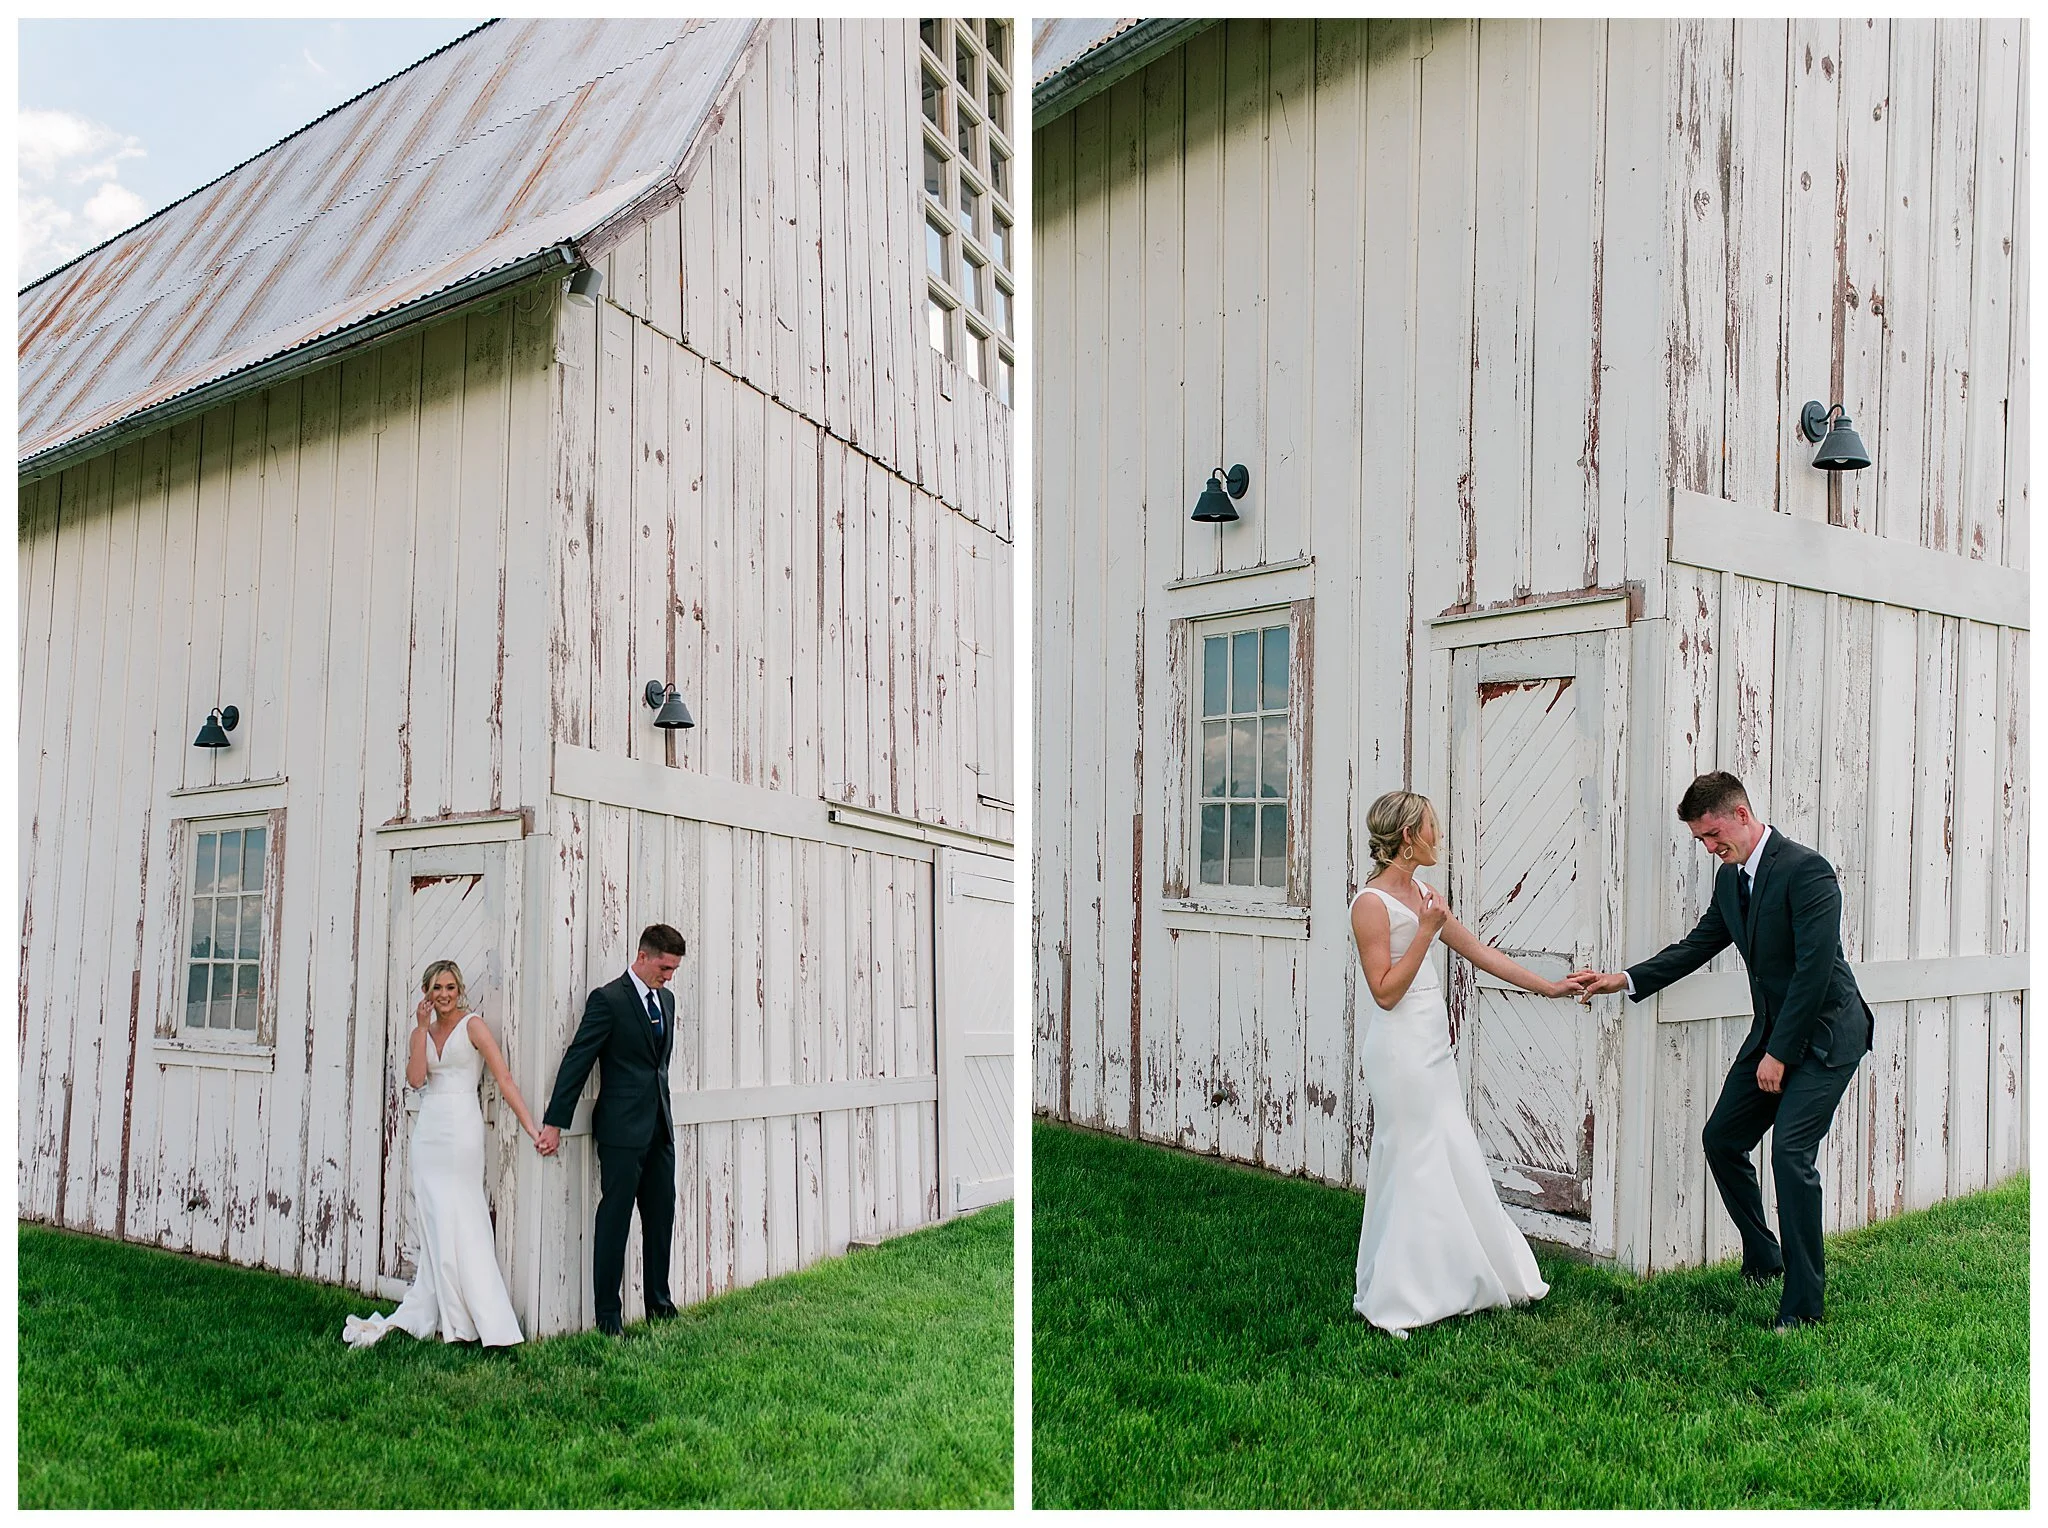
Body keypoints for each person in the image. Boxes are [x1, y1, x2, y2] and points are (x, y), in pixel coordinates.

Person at [1568, 771, 1872, 1330]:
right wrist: (1624, 980)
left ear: (1740, 813)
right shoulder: (1732, 881)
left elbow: (1811, 974)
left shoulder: (1808, 872)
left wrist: (1779, 1054)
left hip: (1828, 1034)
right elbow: (1698, 945)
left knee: (1790, 1156)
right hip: (1775, 1035)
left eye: (1712, 835)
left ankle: (1804, 1306)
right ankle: (1764, 1254)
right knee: (1723, 1139)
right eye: (1702, 841)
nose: (1710, 849)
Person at [1349, 790, 1561, 1338]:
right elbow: (1385, 992)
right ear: (1407, 838)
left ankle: (1464, 1274)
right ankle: (1404, 1293)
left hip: (1431, 1047)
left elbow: (1480, 952)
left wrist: (1551, 988)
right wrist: (1424, 931)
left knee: (1450, 1150)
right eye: (1431, 829)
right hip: (1399, 1051)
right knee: (1413, 1157)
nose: (1438, 837)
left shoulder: (1423, 893)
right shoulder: (1370, 905)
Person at [343, 959, 541, 1349]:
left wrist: (532, 1128)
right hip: (430, 1131)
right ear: (427, 993)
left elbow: (504, 1079)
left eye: (450, 987)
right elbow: (416, 1080)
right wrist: (419, 1031)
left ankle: (477, 1317)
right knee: (434, 1218)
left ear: (459, 989)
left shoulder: (474, 1026)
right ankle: (445, 1310)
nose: (444, 995)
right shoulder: (424, 1032)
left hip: (461, 1128)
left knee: (463, 1214)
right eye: (437, 988)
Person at [537, 923, 686, 1336]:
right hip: (621, 1132)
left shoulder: (667, 1001)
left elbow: (658, 1067)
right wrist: (555, 1122)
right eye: (664, 967)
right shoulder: (609, 1000)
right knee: (615, 1219)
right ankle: (608, 1317)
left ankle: (659, 1303)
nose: (668, 976)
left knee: (661, 1218)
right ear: (642, 956)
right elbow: (578, 1059)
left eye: (673, 970)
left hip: (660, 1130)